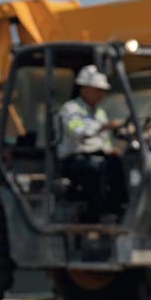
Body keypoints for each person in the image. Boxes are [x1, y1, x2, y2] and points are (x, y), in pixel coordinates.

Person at [58, 65, 126, 221]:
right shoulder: (71, 109)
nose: (101, 95)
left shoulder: (100, 112)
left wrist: (111, 149)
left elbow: (105, 139)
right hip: (74, 160)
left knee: (118, 163)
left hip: (97, 156)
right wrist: (103, 126)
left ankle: (116, 208)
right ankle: (93, 214)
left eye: (103, 91)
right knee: (93, 168)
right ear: (84, 89)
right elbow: (77, 132)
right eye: (98, 90)